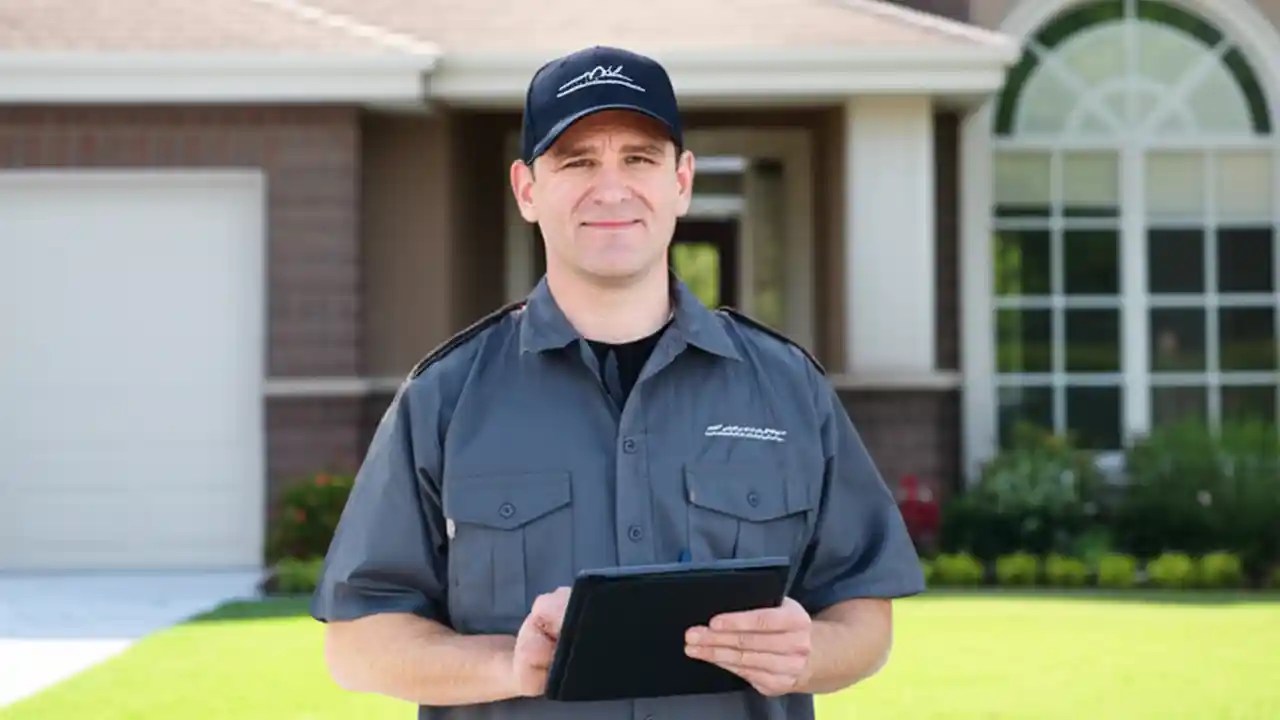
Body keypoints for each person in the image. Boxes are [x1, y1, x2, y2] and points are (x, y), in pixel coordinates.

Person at [310, 44, 925, 719]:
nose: (611, 188)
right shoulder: (445, 398)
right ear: (527, 190)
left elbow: (865, 616)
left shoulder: (789, 389)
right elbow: (358, 643)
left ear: (681, 182)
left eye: (638, 158)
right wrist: (506, 665)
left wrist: (811, 651)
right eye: (577, 161)